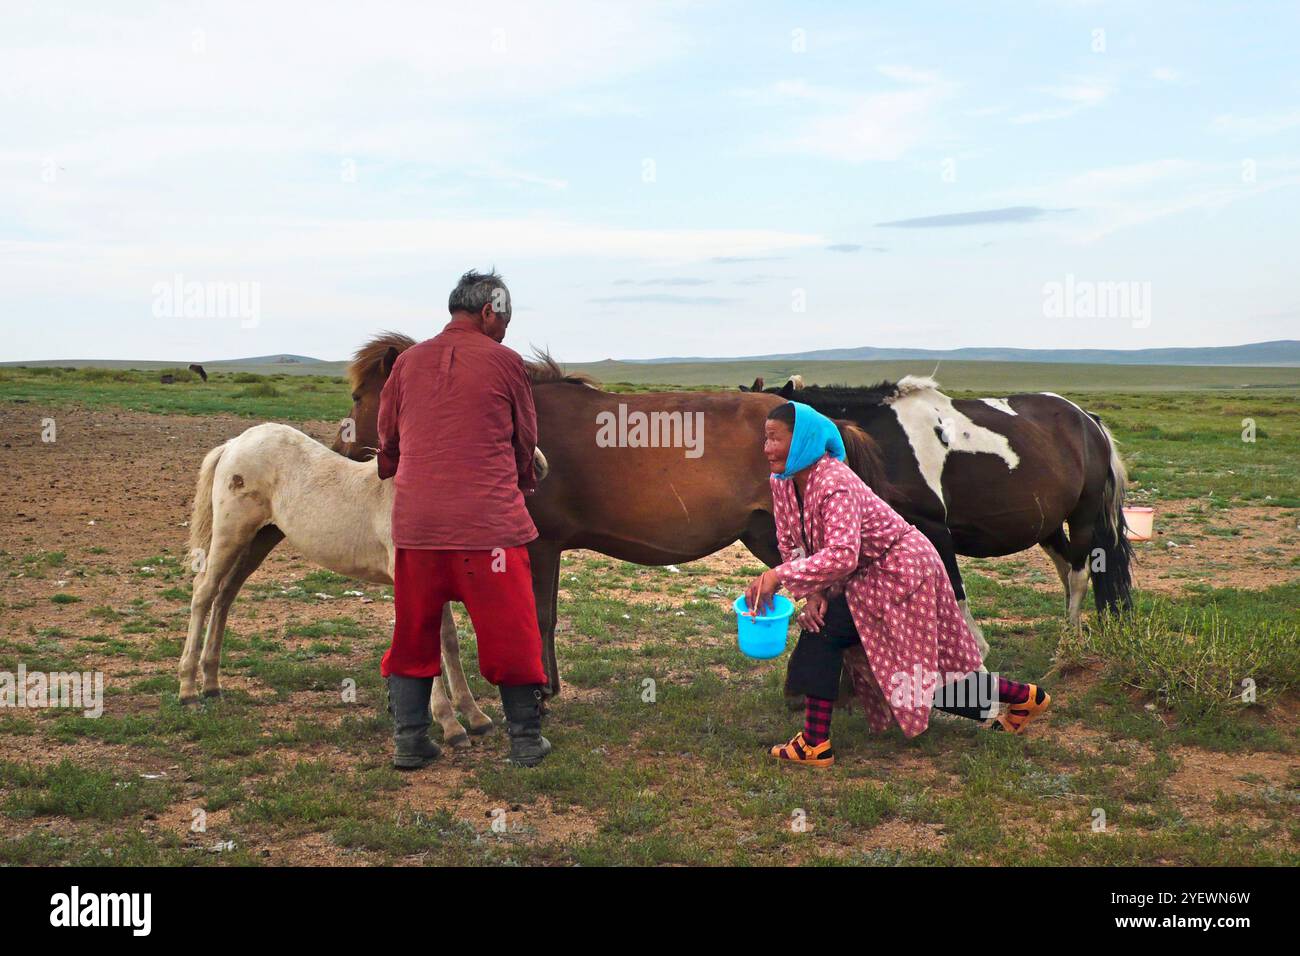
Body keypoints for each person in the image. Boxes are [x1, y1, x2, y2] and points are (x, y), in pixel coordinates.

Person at [744, 401, 1050, 767]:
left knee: (896, 663)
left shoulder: (834, 484)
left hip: (900, 570)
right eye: (765, 439)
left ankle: (814, 742)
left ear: (803, 441)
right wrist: (812, 593)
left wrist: (779, 576)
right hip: (862, 576)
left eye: (775, 439)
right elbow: (792, 542)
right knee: (894, 666)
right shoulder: (784, 483)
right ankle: (1024, 697)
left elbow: (842, 554)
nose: (766, 449)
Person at [375, 270, 551, 769]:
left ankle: (409, 740)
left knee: (413, 631)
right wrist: (520, 484)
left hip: (418, 531)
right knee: (512, 630)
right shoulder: (505, 362)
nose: (507, 329)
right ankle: (523, 739)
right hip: (490, 532)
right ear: (490, 311)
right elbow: (524, 440)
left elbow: (388, 443)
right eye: (506, 318)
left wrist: (404, 473)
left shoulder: (406, 364)